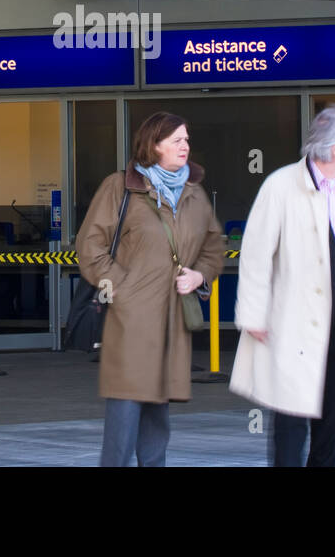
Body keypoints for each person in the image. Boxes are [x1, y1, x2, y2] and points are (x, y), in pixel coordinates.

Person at [230, 105, 335, 467]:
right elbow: (256, 255)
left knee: (333, 416)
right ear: (334, 147)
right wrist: (253, 314)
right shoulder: (281, 185)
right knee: (291, 414)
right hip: (293, 323)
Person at [78, 112, 225, 467]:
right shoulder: (120, 187)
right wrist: (122, 288)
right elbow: (90, 246)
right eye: (176, 140)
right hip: (130, 321)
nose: (185, 146)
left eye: (187, 139)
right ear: (153, 145)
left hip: (173, 319)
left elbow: (213, 246)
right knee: (126, 408)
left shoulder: (192, 191)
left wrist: (199, 276)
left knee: (158, 410)